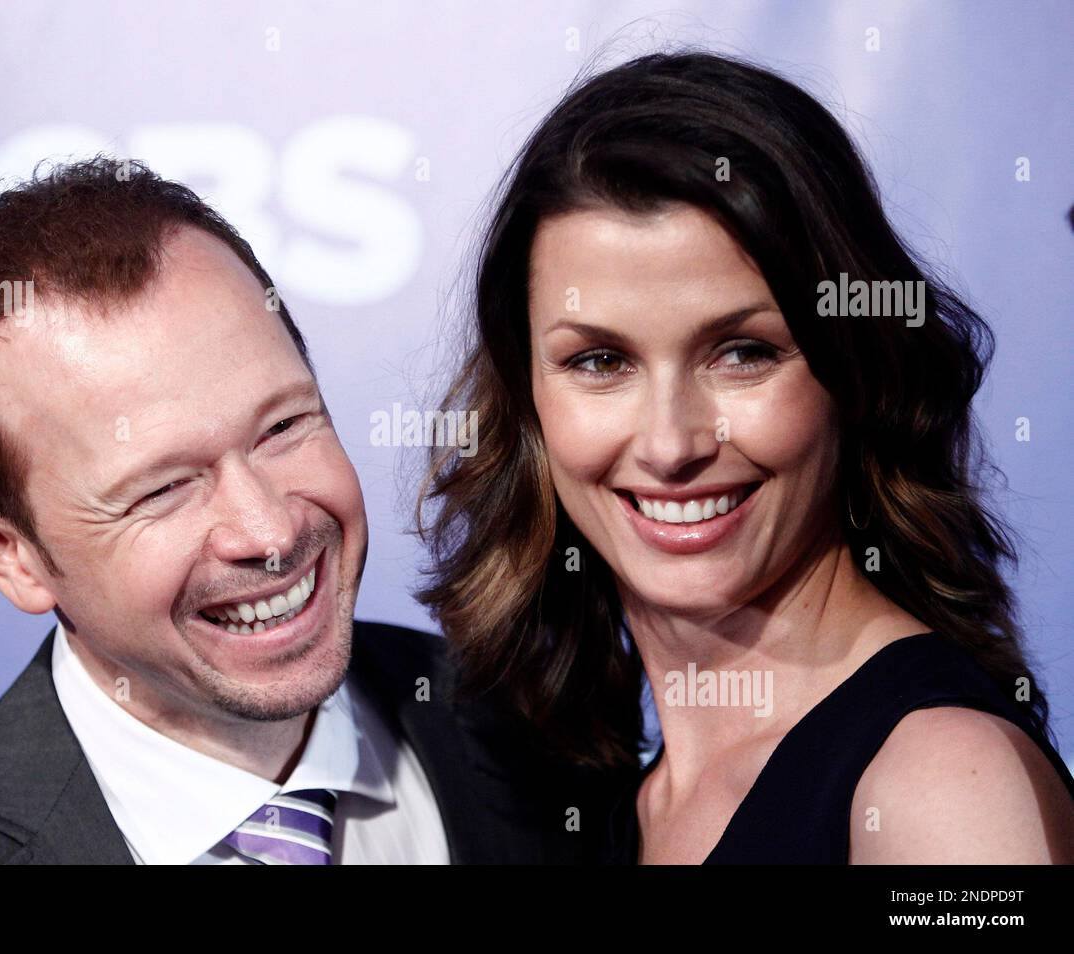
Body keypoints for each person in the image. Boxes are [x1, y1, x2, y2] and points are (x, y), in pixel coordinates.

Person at [0, 158, 632, 865]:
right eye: (162, 489)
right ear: (8, 554)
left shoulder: (550, 732)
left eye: (284, 426)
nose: (269, 531)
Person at [415, 52, 1074, 863]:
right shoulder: (600, 805)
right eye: (599, 362)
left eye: (742, 353)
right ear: (528, 402)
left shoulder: (941, 786)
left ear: (854, 370)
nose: (670, 444)